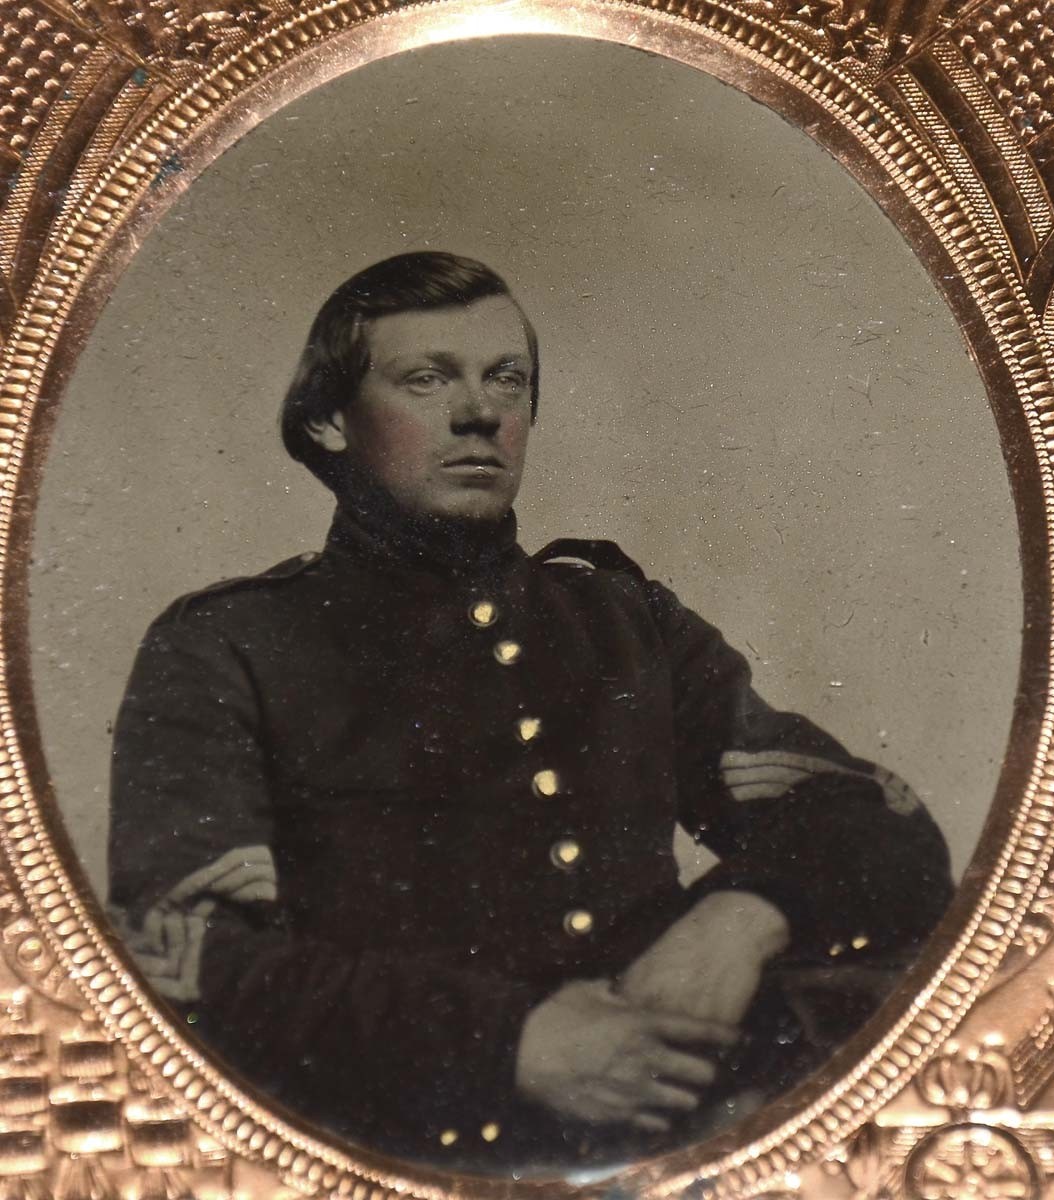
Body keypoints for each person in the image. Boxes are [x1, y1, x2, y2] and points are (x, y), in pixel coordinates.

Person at [108, 251, 953, 1171]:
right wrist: (507, 1043)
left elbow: (875, 823)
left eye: (506, 378)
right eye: (426, 379)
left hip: (679, 1140)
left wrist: (742, 917)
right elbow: (184, 963)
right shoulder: (227, 646)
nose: (480, 413)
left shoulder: (622, 620)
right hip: (400, 1151)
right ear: (327, 421)